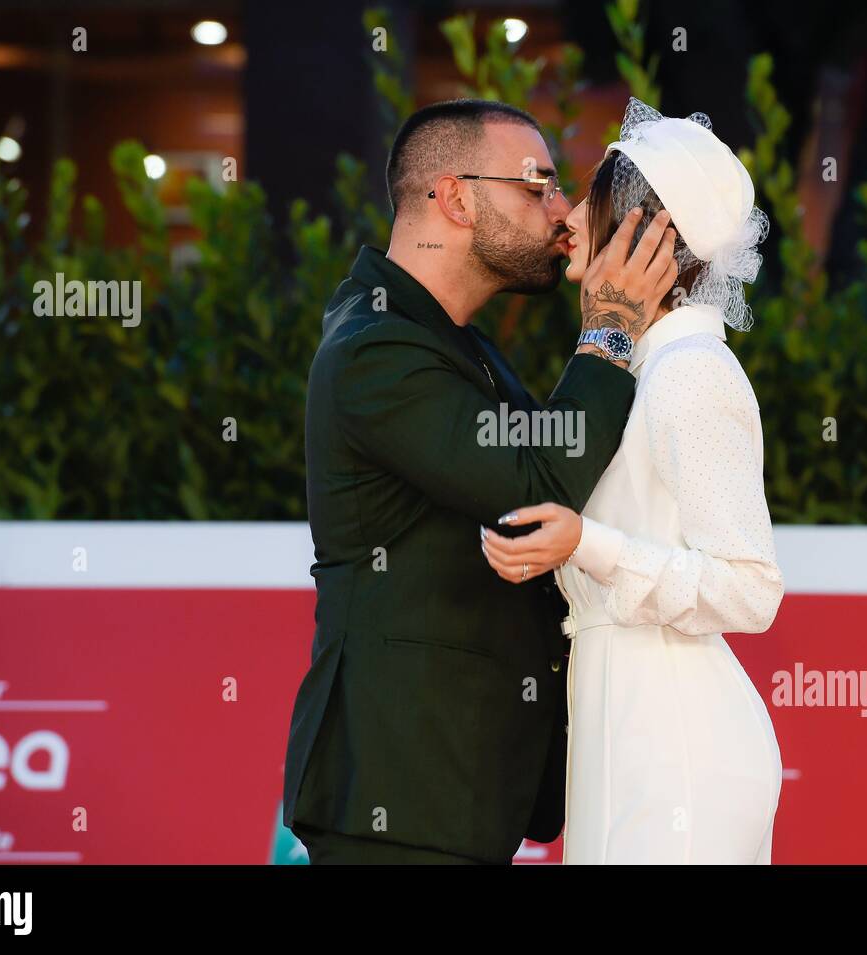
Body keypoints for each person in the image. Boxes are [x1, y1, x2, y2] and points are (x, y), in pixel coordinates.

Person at [283, 98, 678, 864]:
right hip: (398, 799)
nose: (562, 212)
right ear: (456, 197)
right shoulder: (374, 350)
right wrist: (609, 327)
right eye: (538, 187)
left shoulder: (451, 345)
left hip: (450, 794)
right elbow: (538, 482)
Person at [481, 98, 786, 864]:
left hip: (677, 745)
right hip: (624, 724)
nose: (571, 217)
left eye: (594, 198)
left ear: (649, 232)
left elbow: (752, 589)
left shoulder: (690, 374)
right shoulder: (642, 370)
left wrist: (593, 543)